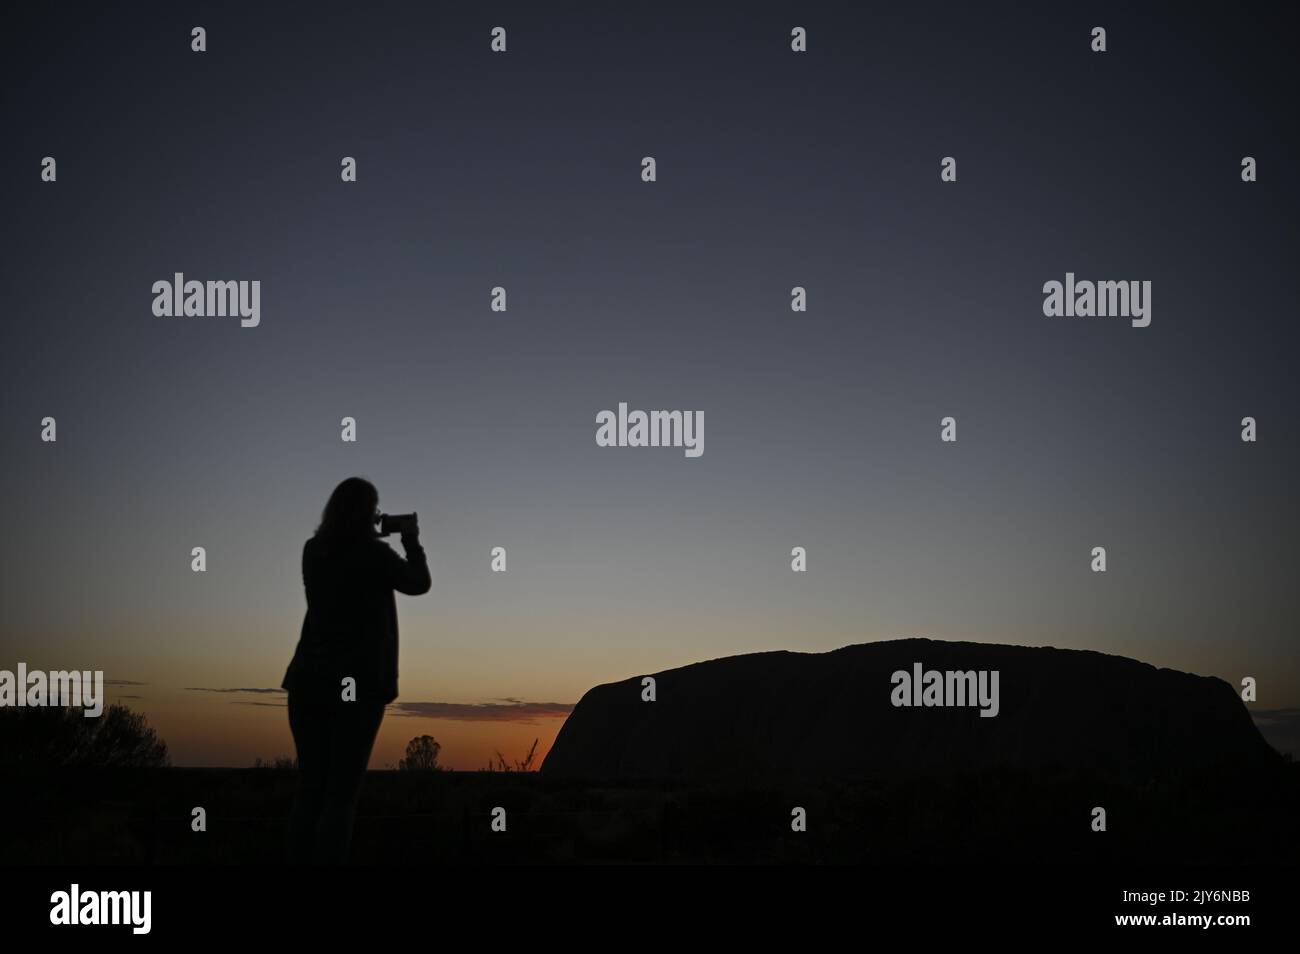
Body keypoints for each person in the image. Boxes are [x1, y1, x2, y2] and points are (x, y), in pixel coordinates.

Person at [280, 476, 432, 864]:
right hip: (358, 686)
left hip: (308, 682)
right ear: (368, 512)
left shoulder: (312, 551)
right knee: (340, 797)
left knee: (310, 790)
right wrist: (410, 538)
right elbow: (419, 583)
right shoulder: (375, 556)